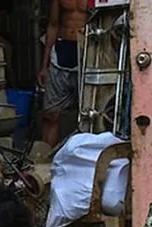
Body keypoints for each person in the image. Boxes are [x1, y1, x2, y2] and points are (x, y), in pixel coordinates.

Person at [39, 0, 87, 146]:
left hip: (89, 52)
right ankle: (45, 157)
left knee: (91, 115)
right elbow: (53, 25)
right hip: (61, 50)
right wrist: (44, 66)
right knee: (51, 115)